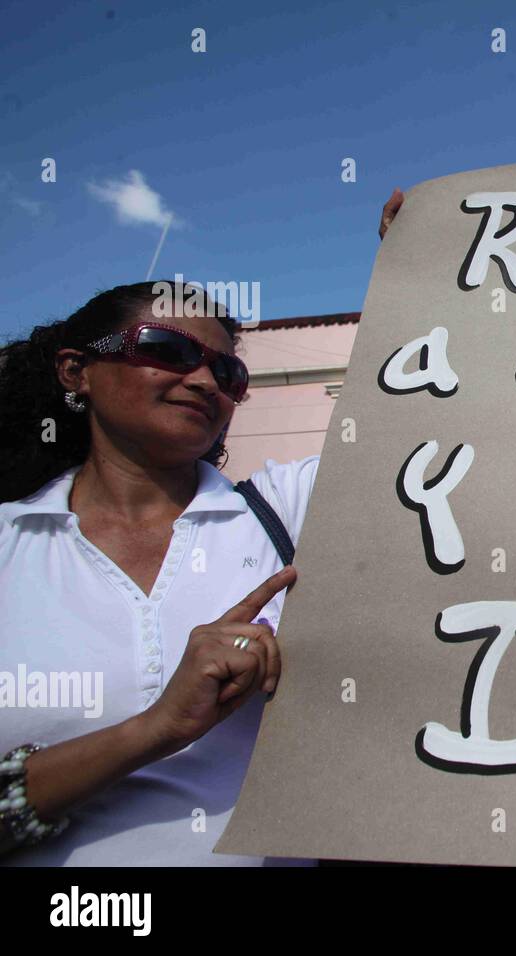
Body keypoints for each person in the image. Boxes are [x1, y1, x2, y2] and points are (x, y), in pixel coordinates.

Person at [0, 189, 406, 865]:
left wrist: (425, 277)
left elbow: (432, 442)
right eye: (165, 348)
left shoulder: (283, 510)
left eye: (229, 372)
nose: (204, 381)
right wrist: (157, 728)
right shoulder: (12, 546)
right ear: (78, 372)